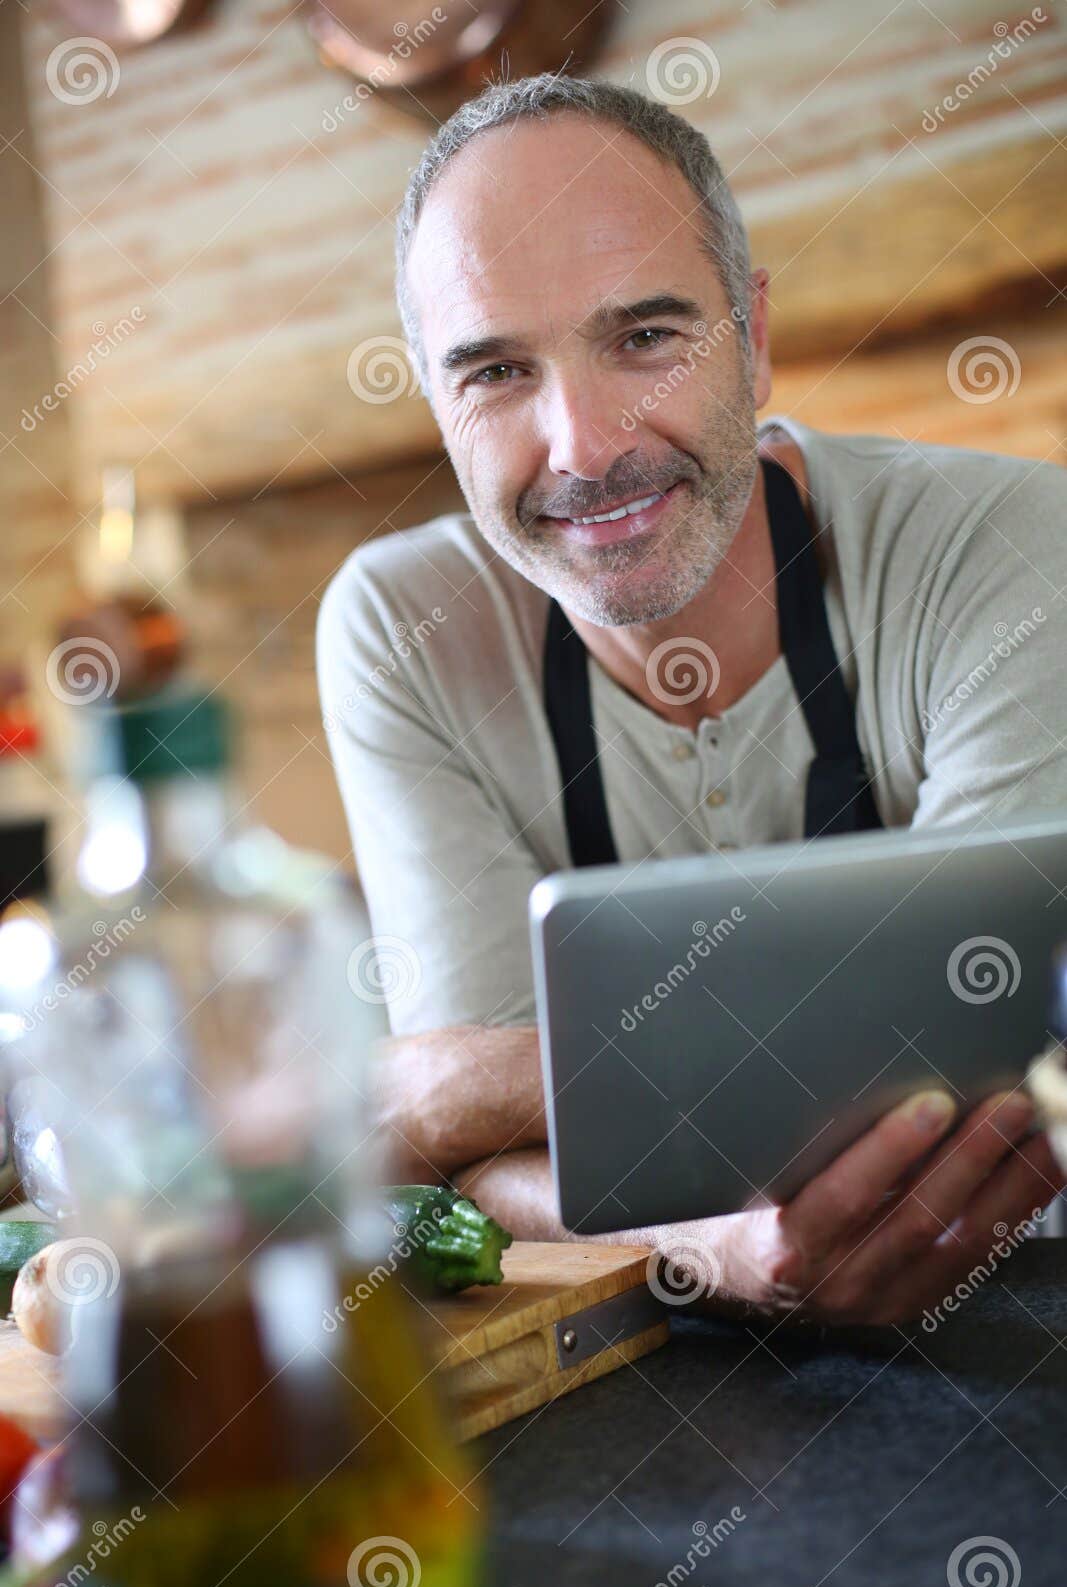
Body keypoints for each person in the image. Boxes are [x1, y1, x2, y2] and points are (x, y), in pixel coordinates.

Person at [317, 74, 1065, 1326]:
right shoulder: (402, 629)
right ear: (435, 399)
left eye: (645, 337)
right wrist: (700, 1249)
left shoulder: (1009, 546)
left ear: (753, 336)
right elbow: (468, 1171)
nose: (583, 446)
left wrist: (457, 1083)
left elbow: (967, 1071)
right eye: (496, 369)